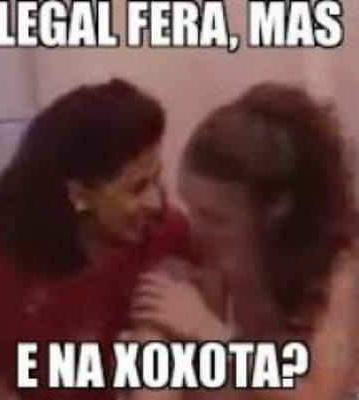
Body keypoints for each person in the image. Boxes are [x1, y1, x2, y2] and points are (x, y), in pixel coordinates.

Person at [0, 79, 194, 400]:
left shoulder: (169, 235)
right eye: (136, 188)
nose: (156, 201)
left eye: (157, 178)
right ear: (78, 194)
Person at [131, 83, 359, 399]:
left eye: (216, 218)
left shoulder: (336, 273)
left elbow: (321, 396)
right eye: (191, 208)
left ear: (275, 211)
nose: (196, 230)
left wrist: (209, 333)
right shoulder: (187, 275)